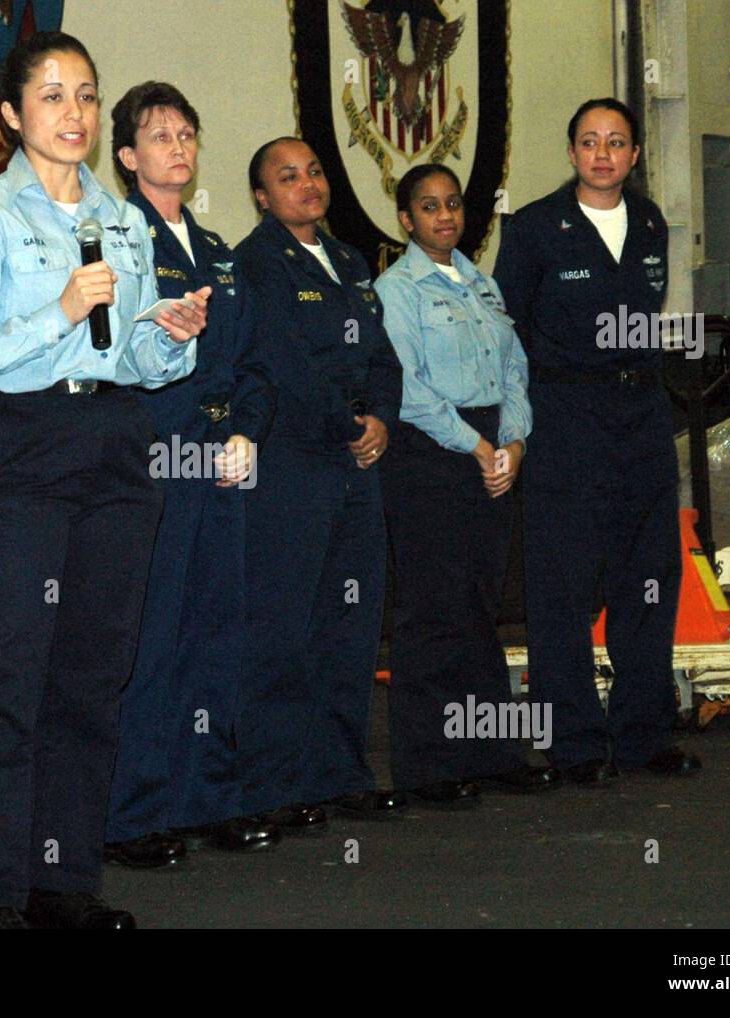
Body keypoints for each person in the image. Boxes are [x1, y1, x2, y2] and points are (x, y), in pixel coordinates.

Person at [0, 32, 211, 929]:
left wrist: (169, 332)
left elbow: (131, 355)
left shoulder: (122, 220)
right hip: (18, 446)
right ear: (12, 116)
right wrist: (57, 312)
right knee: (6, 678)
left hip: (115, 443)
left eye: (87, 95)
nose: (75, 114)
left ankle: (62, 883)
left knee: (93, 678)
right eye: (52, 97)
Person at [492, 98, 701, 783]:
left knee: (649, 577)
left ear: (635, 154)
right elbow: (508, 332)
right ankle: (574, 743)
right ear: (573, 153)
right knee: (561, 584)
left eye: (616, 142)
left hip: (640, 414)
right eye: (589, 142)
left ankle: (643, 734)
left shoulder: (648, 223)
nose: (603, 153)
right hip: (565, 417)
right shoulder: (531, 229)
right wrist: (519, 427)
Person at [102, 82, 280, 869]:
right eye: (159, 134)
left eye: (187, 132)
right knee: (154, 635)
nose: (177, 145)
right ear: (127, 156)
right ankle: (135, 812)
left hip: (222, 460)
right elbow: (119, 366)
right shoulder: (118, 240)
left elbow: (249, 364)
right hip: (156, 458)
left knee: (219, 629)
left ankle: (210, 796)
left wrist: (246, 429)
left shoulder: (218, 253)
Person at [233, 137, 405, 833]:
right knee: (285, 626)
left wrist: (383, 422)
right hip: (294, 462)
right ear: (262, 197)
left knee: (350, 624)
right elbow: (283, 363)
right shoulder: (256, 262)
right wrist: (347, 425)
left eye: (313, 171)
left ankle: (339, 774)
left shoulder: (350, 261)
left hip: (356, 465)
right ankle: (276, 783)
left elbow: (383, 357)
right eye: (287, 176)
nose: (307, 184)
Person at [375, 164, 558, 808]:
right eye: (428, 207)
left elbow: (515, 366)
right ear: (406, 219)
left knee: (482, 607)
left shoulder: (480, 283)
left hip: (490, 450)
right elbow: (406, 387)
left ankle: (491, 750)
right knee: (432, 611)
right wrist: (478, 446)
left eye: (452, 204)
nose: (444, 216)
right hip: (431, 455)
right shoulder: (396, 290)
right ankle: (429, 766)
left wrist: (512, 440)